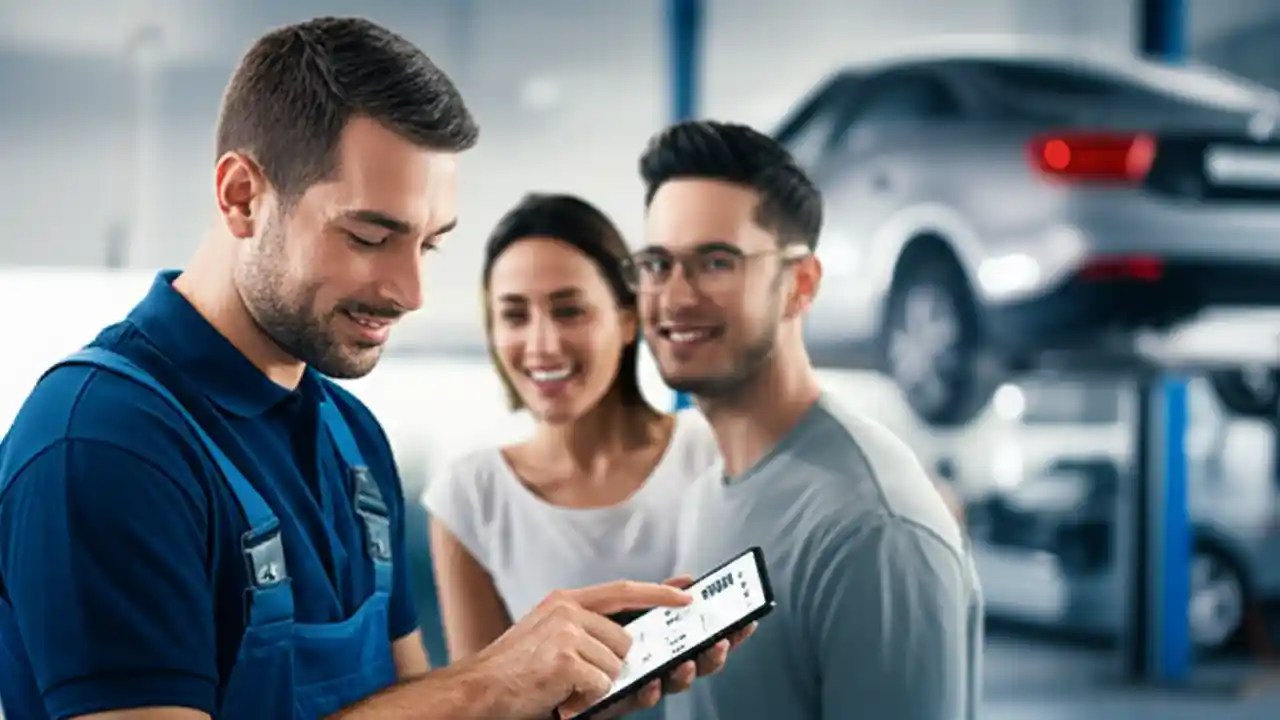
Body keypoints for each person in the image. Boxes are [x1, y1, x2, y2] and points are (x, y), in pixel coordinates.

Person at [0, 18, 739, 720]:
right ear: (242, 196)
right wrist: (487, 686)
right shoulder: (102, 447)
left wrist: (547, 690)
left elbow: (415, 704)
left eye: (429, 244)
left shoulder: (350, 434)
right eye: (369, 235)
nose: (410, 292)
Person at [631, 120, 985, 719]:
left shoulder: (873, 530)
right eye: (657, 264)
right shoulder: (711, 489)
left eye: (716, 262)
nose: (676, 296)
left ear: (799, 285)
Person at [421, 194, 726, 714]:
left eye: (570, 311)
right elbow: (485, 711)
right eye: (515, 316)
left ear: (628, 319)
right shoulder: (470, 495)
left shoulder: (716, 452)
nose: (542, 345)